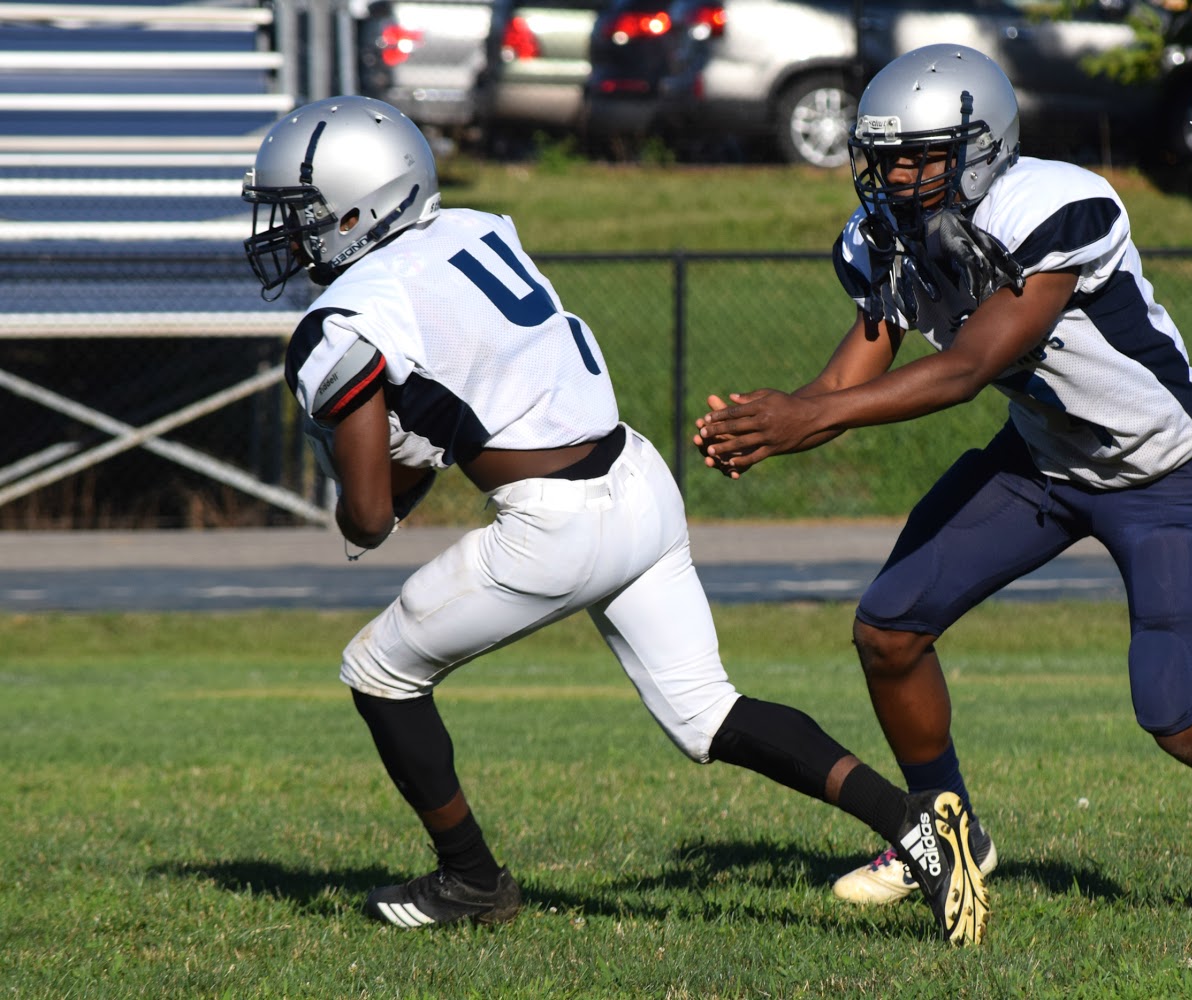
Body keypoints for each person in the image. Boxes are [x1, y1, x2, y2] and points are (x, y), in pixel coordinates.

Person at [239, 95, 989, 944]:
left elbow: (371, 517)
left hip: (554, 526)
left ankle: (471, 879)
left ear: (355, 207)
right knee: (707, 712)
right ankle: (917, 824)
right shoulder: (475, 230)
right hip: (637, 479)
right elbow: (477, 378)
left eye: (301, 214)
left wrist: (366, 481)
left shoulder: (343, 320)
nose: (289, 236)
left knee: (379, 672)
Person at [694, 45, 1192, 915]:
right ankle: (949, 832)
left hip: (1157, 471)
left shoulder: (1049, 206)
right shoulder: (885, 239)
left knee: (1176, 717)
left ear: (981, 147)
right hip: (1043, 463)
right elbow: (843, 383)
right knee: (888, 631)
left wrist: (806, 417)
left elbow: (969, 367)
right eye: (883, 158)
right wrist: (773, 427)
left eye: (917, 157)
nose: (894, 177)